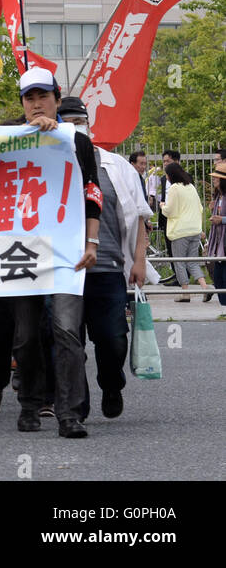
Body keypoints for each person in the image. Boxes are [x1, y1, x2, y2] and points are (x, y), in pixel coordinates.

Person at [13, 68, 102, 439]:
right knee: (26, 335)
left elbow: (92, 193)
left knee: (67, 331)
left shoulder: (76, 141)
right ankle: (30, 403)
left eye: (43, 96)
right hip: (16, 252)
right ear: (22, 103)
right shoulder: (4, 137)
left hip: (67, 250)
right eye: (29, 98)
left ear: (57, 97)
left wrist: (91, 243)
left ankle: (69, 414)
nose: (36, 104)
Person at [58, 96, 152, 420]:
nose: (72, 127)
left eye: (77, 121)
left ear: (88, 124)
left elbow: (140, 216)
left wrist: (138, 261)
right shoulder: (47, 164)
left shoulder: (117, 166)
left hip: (107, 265)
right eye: (65, 121)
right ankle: (76, 405)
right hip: (63, 269)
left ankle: (112, 385)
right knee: (70, 341)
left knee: (112, 338)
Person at [161, 161, 212, 301]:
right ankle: (205, 287)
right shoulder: (191, 187)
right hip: (194, 230)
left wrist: (162, 206)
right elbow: (200, 208)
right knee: (192, 262)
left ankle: (185, 293)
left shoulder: (174, 188)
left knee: (179, 262)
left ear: (170, 175)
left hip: (180, 231)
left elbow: (170, 211)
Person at [208, 163, 226, 307]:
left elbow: (222, 218)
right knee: (218, 279)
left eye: (217, 178)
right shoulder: (218, 196)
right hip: (219, 243)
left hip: (224, 244)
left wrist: (222, 219)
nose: (214, 180)